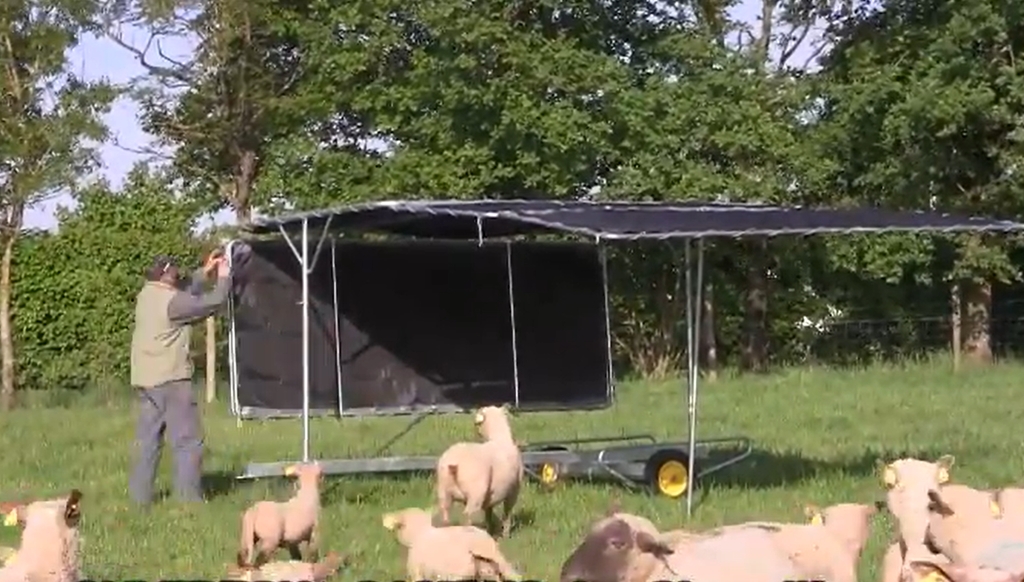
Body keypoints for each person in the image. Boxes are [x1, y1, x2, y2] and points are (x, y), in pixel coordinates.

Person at [129, 250, 231, 506]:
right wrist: (224, 277)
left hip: (146, 380)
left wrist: (203, 273)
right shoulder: (172, 302)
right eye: (175, 270)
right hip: (171, 381)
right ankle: (189, 502)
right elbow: (213, 302)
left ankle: (139, 500)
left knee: (148, 442)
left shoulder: (147, 295)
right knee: (187, 442)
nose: (179, 272)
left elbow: (183, 297)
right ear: (167, 274)